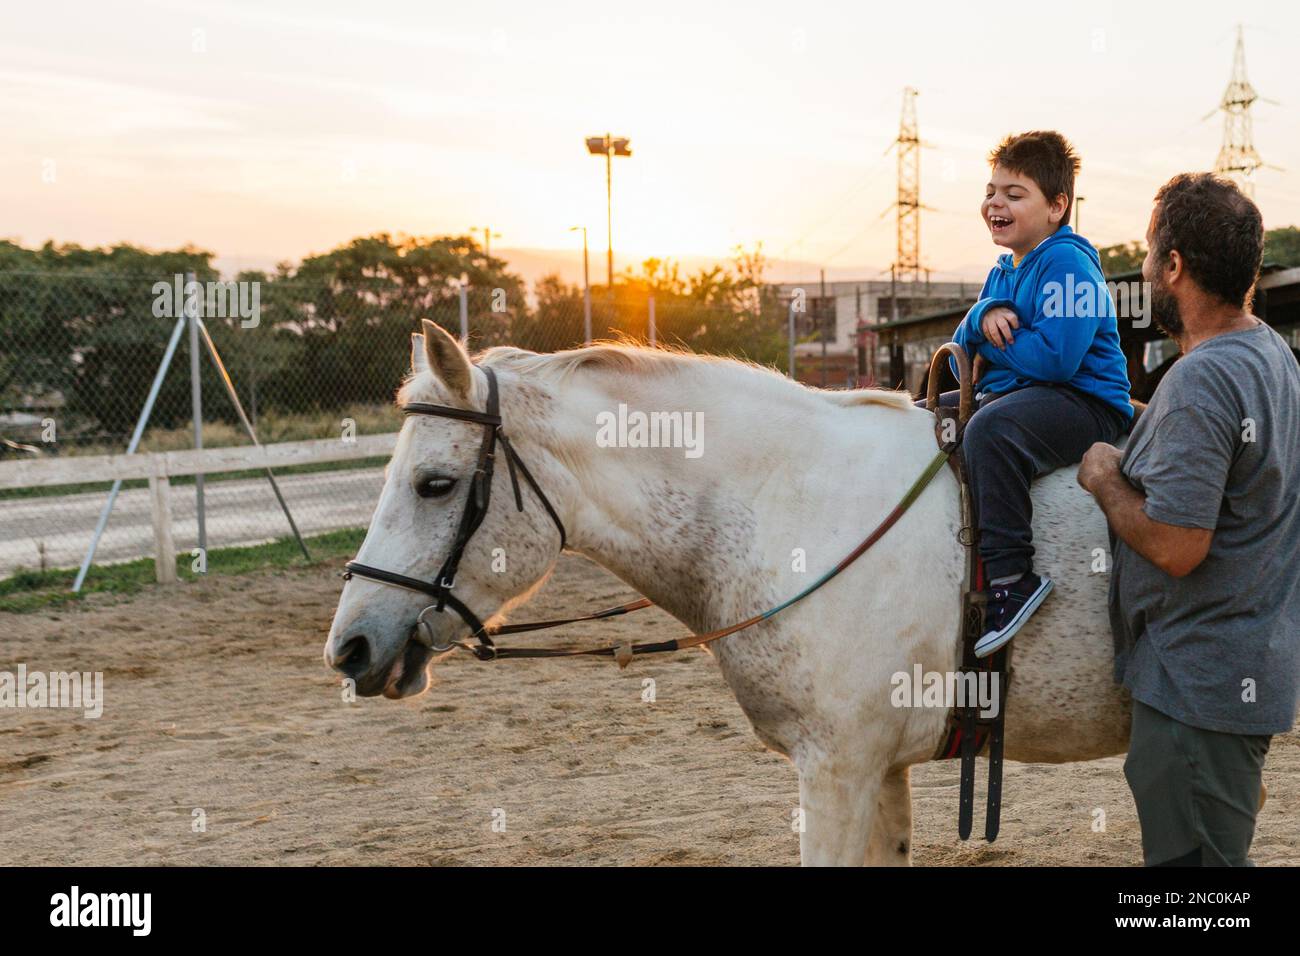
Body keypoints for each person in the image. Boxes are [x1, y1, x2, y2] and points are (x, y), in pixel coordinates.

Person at [1078, 172, 1300, 866]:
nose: (1141, 269)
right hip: (1239, 672)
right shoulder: (1268, 353)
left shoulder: (1203, 378)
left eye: (1148, 253)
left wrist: (1106, 480)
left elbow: (1177, 546)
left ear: (1173, 267)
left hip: (1197, 693)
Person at [937, 130, 1132, 656]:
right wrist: (980, 316)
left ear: (1056, 205)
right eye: (991, 191)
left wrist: (992, 345)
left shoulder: (1068, 263)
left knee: (991, 431)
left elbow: (1055, 360)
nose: (995, 203)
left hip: (1084, 402)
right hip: (1028, 394)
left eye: (1014, 194)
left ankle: (1011, 579)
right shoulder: (1003, 269)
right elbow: (961, 356)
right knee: (931, 414)